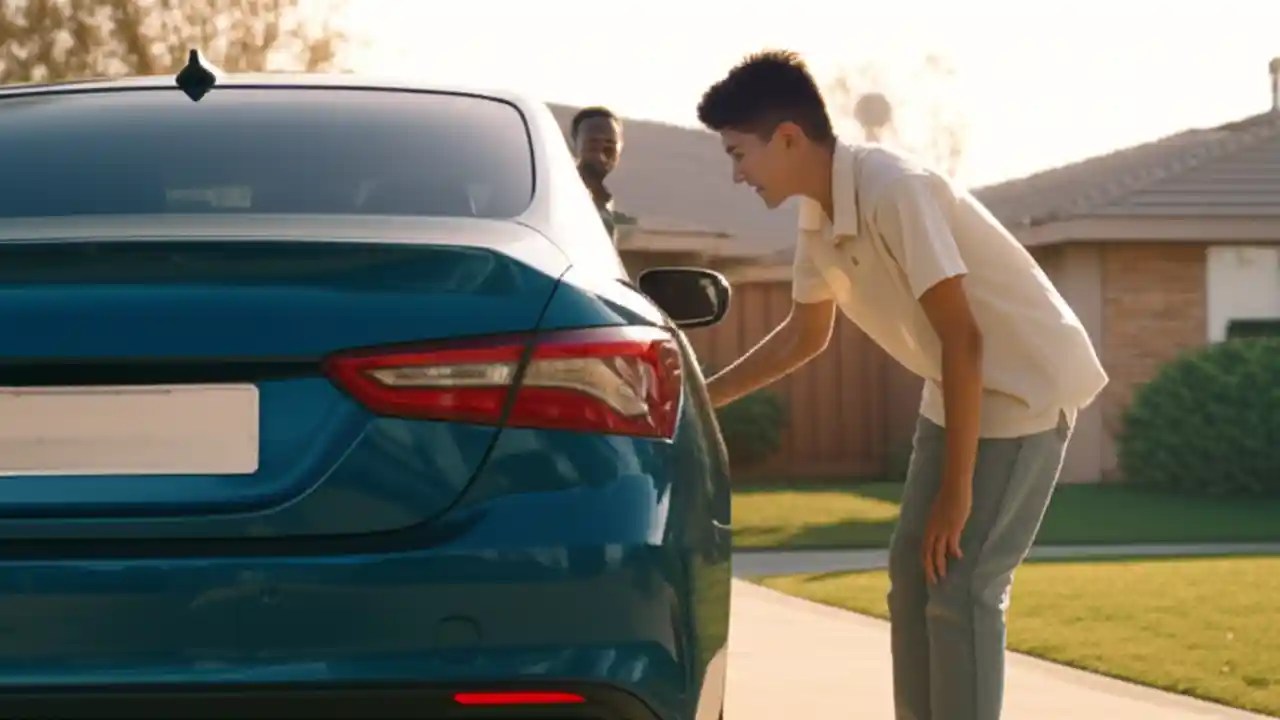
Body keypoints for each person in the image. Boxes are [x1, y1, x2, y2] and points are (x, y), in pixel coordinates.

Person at [696, 50, 1108, 720]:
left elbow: (964, 337)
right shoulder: (818, 214)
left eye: (739, 153)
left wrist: (956, 490)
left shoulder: (894, 190)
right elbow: (804, 336)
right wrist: (699, 401)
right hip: (954, 387)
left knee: (963, 587)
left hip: (1025, 388)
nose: (736, 173)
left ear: (789, 138)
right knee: (912, 578)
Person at [570, 106, 624, 242]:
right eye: (593, 143)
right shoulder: (560, 197)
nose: (601, 153)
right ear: (574, 145)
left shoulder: (603, 202)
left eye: (610, 145)